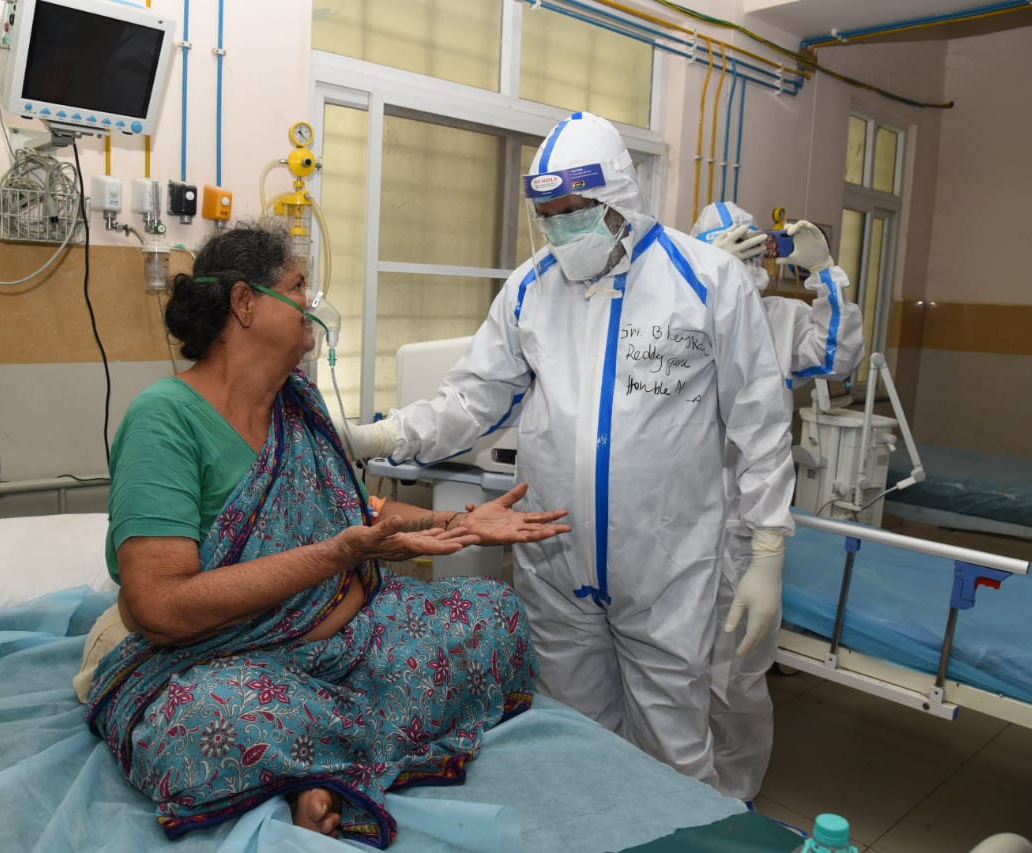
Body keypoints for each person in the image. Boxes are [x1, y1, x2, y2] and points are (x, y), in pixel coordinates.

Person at [81, 220, 571, 848]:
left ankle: (307, 759)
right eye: (300, 286)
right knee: (210, 723)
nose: (315, 306)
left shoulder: (298, 406)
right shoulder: (165, 420)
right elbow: (159, 607)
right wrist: (338, 553)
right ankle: (310, 760)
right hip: (234, 659)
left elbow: (360, 512)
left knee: (494, 613)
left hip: (359, 637)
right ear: (245, 302)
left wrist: (457, 522)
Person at [347, 112, 796, 791]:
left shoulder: (705, 281)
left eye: (575, 210)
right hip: (554, 559)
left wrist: (767, 547)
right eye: (548, 214)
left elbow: (760, 423)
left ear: (619, 201)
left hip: (667, 563)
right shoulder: (531, 287)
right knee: (568, 737)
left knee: (671, 750)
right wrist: (380, 436)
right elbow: (472, 400)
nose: (560, 228)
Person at [692, 201, 866, 801]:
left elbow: (838, 355)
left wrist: (827, 275)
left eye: (749, 249)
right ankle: (672, 781)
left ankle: (733, 793)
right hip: (675, 519)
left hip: (747, 523)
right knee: (671, 663)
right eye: (727, 251)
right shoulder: (674, 316)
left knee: (737, 671)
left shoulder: (777, 320)